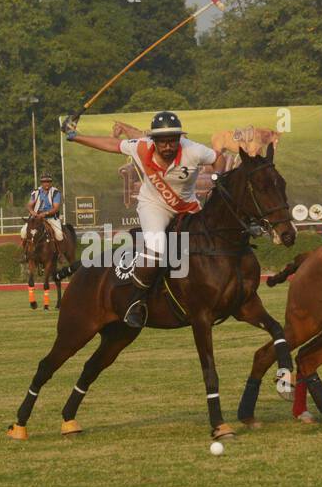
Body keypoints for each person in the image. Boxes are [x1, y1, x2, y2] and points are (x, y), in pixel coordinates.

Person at [66, 110, 224, 327]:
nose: (168, 146)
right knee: (157, 249)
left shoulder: (193, 150)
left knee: (212, 241)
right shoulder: (140, 146)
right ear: (153, 140)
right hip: (154, 207)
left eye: (173, 141)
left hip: (188, 207)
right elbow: (112, 145)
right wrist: (76, 137)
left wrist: (218, 179)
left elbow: (218, 158)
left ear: (179, 138)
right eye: (163, 142)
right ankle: (137, 301)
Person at [19, 174, 63, 258]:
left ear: (51, 183)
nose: (46, 184)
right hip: (36, 218)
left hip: (51, 217)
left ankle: (60, 254)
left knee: (59, 234)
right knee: (23, 232)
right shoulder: (36, 192)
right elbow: (29, 205)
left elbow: (56, 208)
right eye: (44, 182)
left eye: (48, 182)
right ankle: (25, 253)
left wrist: (45, 213)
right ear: (41, 183)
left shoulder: (55, 192)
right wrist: (32, 212)